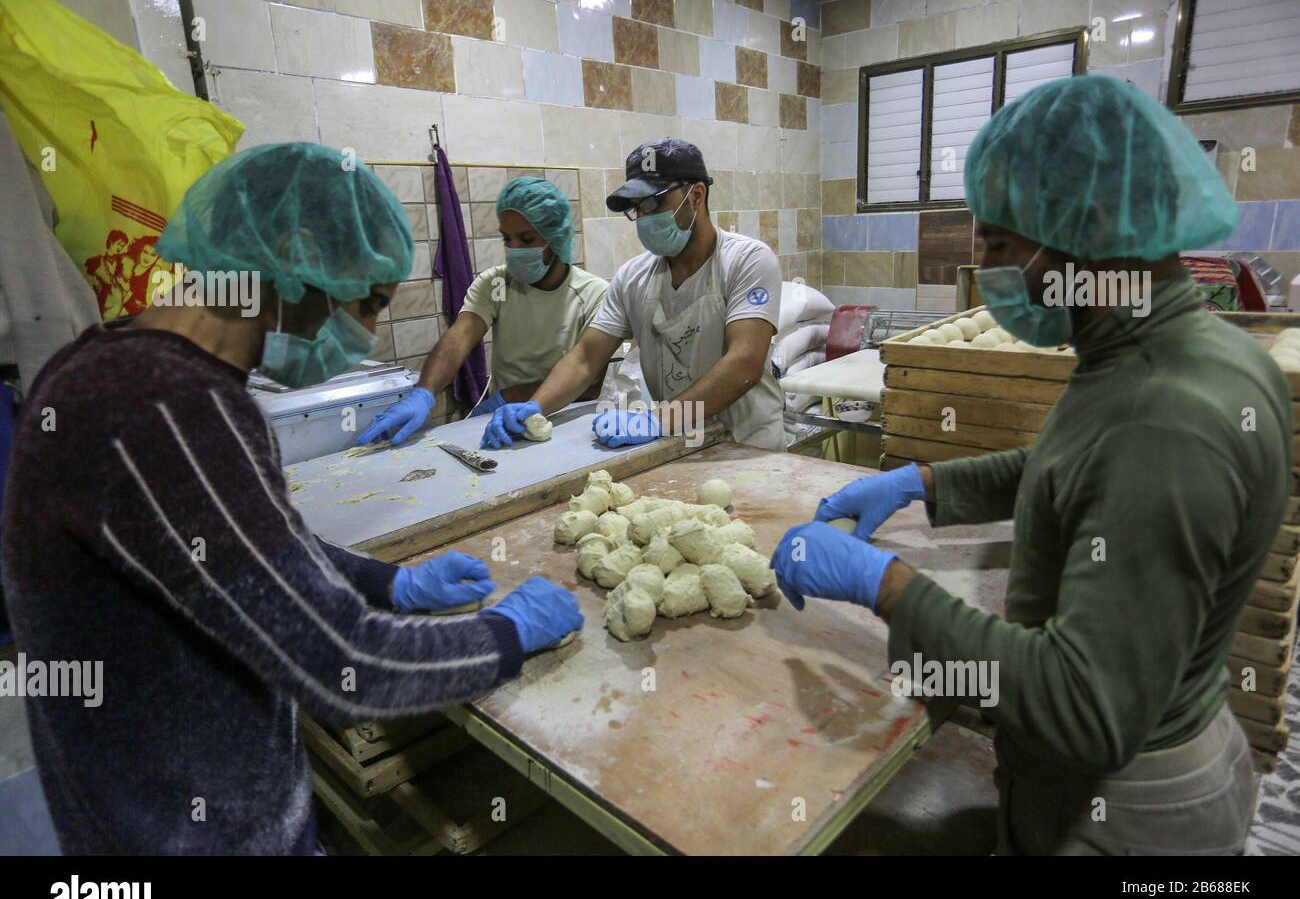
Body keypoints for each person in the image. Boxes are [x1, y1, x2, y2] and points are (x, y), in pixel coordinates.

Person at [1, 143, 582, 854]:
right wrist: (507, 634)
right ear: (297, 260)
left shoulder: (109, 358)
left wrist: (385, 580)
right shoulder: (167, 407)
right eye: (368, 301)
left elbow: (244, 546)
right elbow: (346, 667)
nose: (367, 331)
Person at [770, 76, 1291, 855]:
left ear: (1087, 237)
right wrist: (925, 483)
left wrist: (884, 585)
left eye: (1003, 245)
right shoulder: (1168, 349)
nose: (989, 271)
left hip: (1126, 811)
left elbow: (1084, 705)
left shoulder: (1167, 412)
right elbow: (1082, 465)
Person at [479, 138, 785, 451]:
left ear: (696, 195)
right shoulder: (632, 278)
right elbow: (585, 360)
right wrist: (535, 406)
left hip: (749, 446)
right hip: (682, 443)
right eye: (637, 208)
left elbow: (744, 362)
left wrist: (657, 421)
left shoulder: (747, 260)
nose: (644, 217)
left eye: (654, 204)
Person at [357, 176, 608, 446]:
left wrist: (513, 399)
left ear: (555, 237)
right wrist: (424, 393)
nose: (514, 250)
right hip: (503, 422)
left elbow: (590, 380)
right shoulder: (497, 283)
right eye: (507, 239)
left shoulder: (594, 294)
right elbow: (460, 337)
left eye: (526, 239)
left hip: (565, 419)